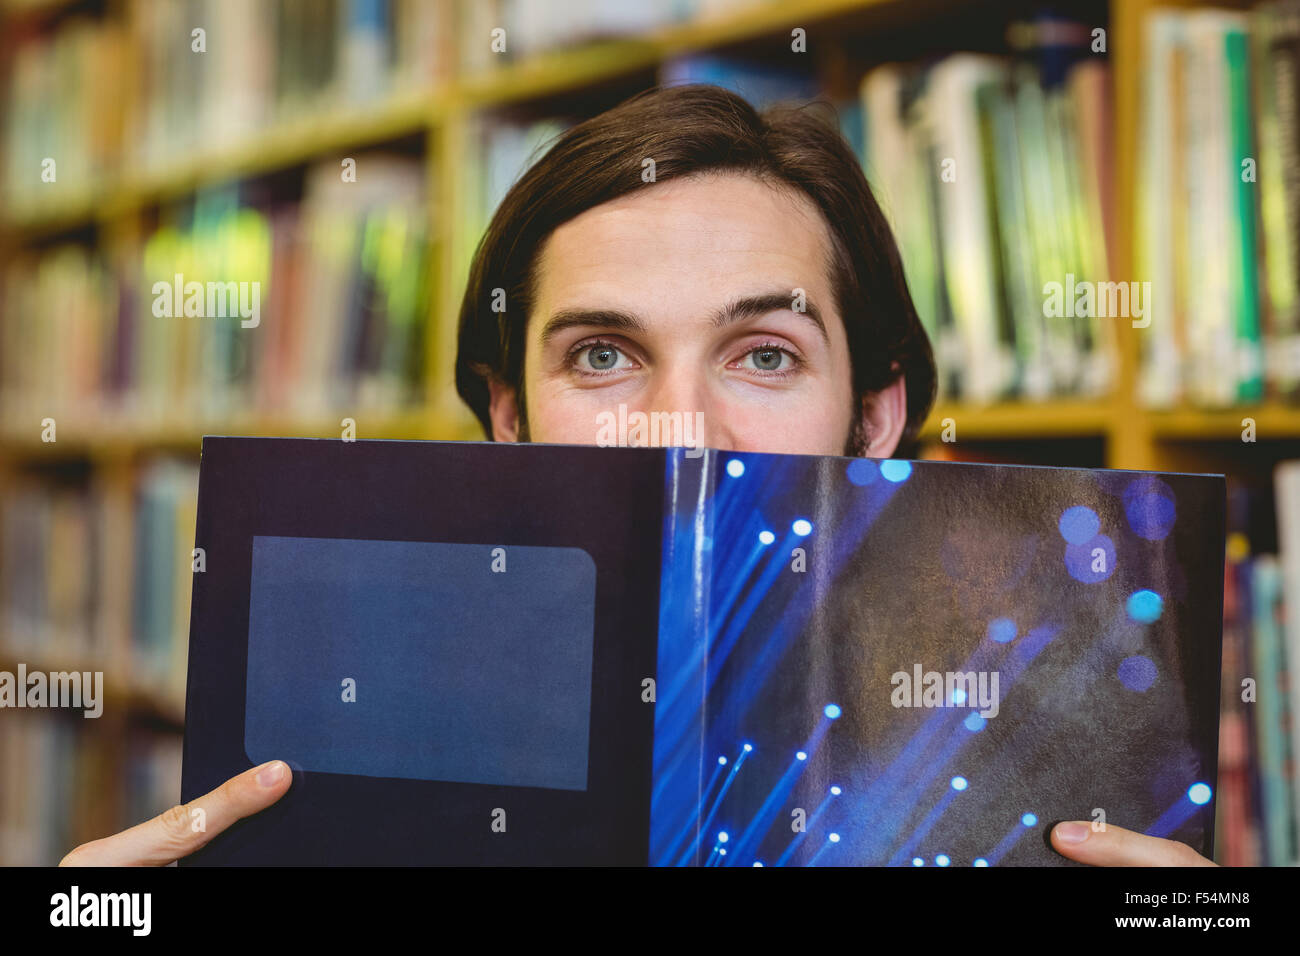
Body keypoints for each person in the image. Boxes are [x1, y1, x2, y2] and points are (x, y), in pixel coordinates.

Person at [60, 84, 1216, 867]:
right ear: (509, 416)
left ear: (874, 416)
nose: (679, 425)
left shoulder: (1031, 746)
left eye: (763, 353)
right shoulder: (355, 734)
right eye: (603, 354)